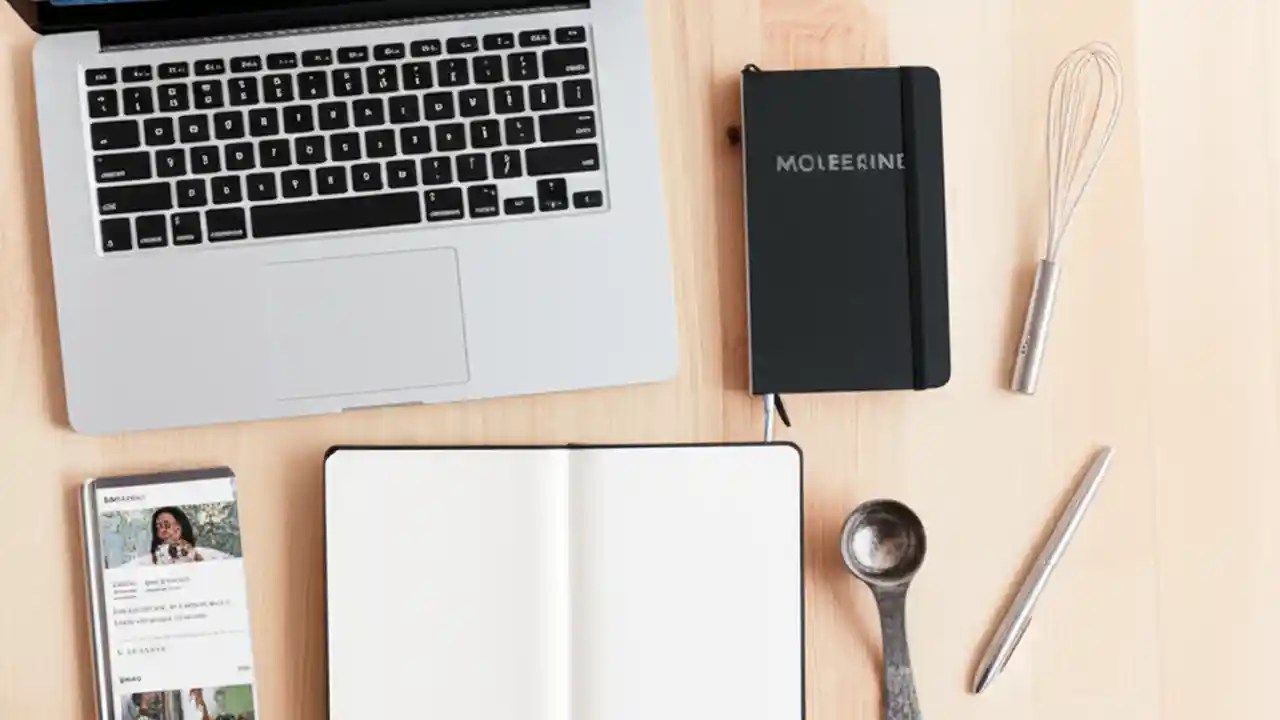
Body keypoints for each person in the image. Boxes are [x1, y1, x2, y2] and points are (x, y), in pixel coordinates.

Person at [125, 507, 232, 566]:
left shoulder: (205, 554)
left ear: (179, 528)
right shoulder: (146, 561)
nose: (162, 530)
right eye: (158, 526)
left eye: (167, 525)